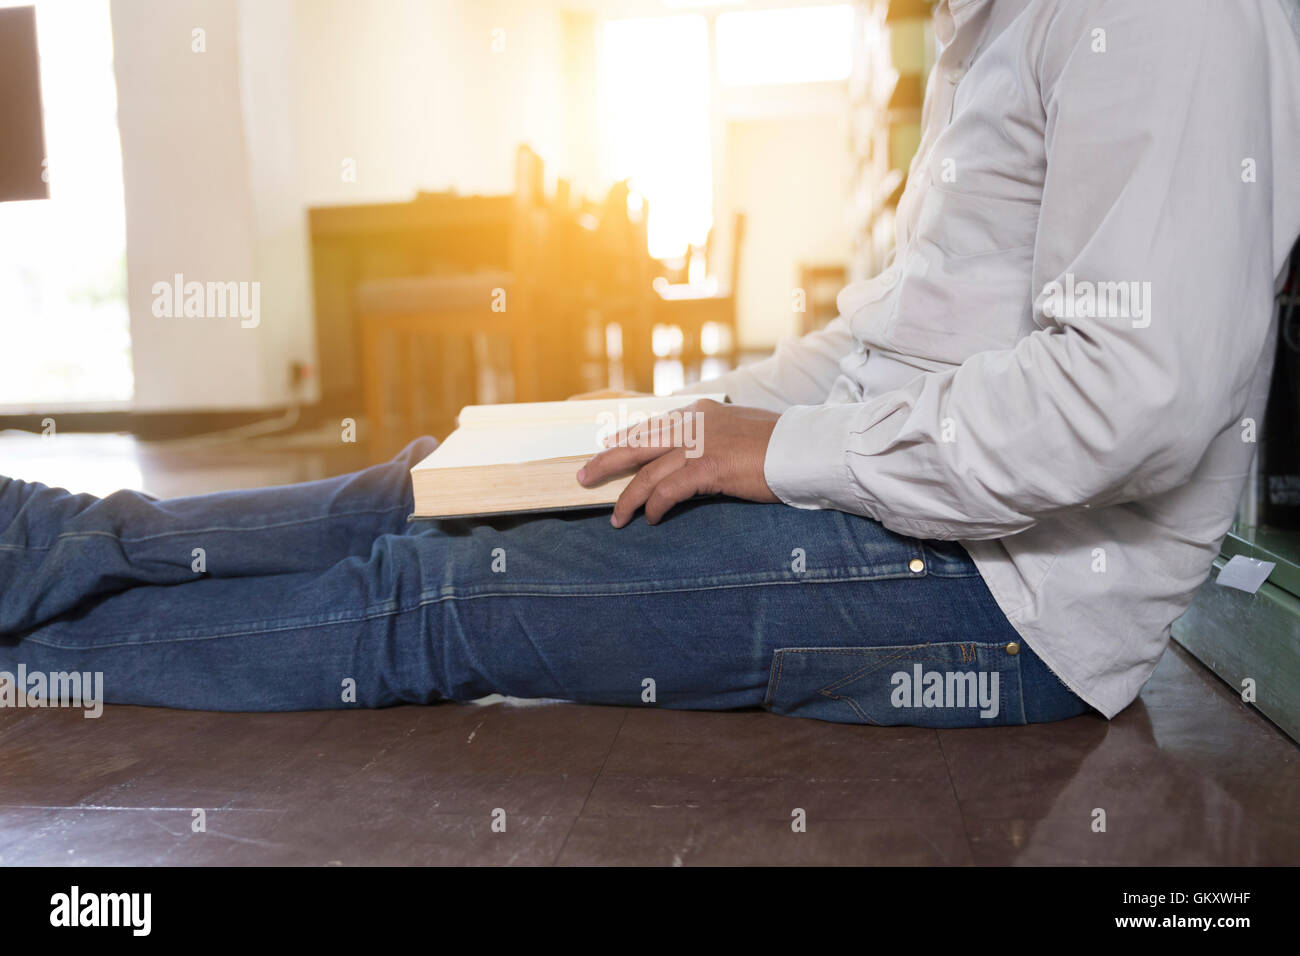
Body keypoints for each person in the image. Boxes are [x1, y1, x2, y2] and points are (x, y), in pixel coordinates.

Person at [3, 0, 1300, 728]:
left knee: (457, 589)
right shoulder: (990, 24)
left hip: (1008, 598)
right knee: (434, 484)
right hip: (909, 486)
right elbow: (901, 326)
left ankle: (32, 670)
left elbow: (1138, 396)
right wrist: (709, 415)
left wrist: (776, 452)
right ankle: (51, 545)